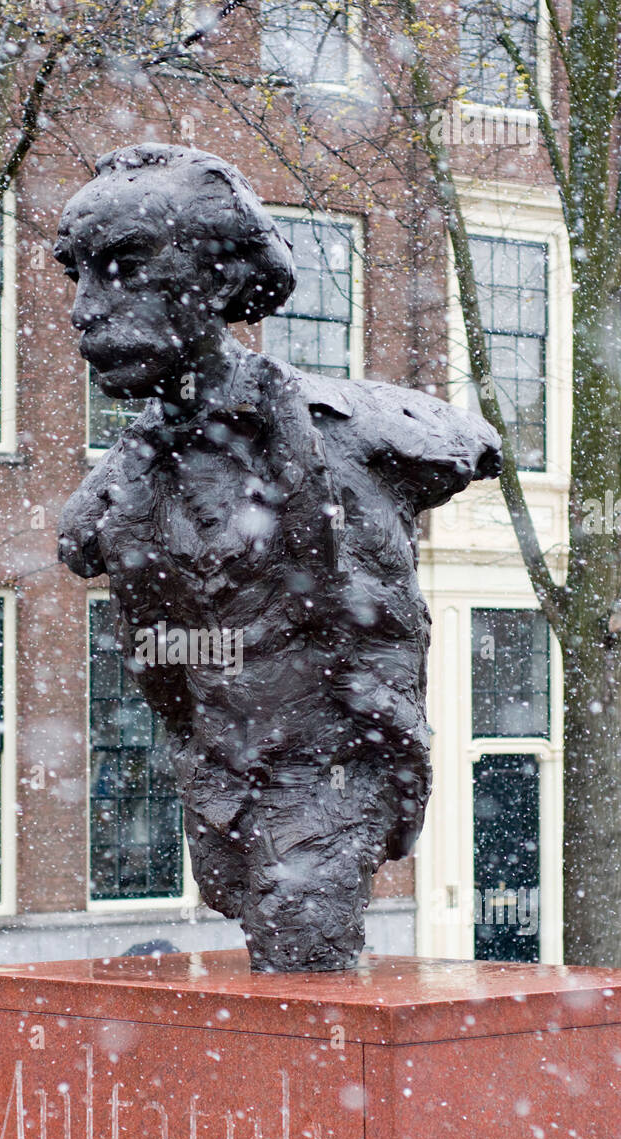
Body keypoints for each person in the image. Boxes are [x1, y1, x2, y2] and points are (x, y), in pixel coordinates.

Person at [56, 144, 501, 971]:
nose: (85, 307)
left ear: (223, 278)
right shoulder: (112, 490)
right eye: (77, 272)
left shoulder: (382, 434)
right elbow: (98, 563)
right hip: (213, 780)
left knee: (302, 943)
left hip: (333, 772)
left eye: (123, 266)